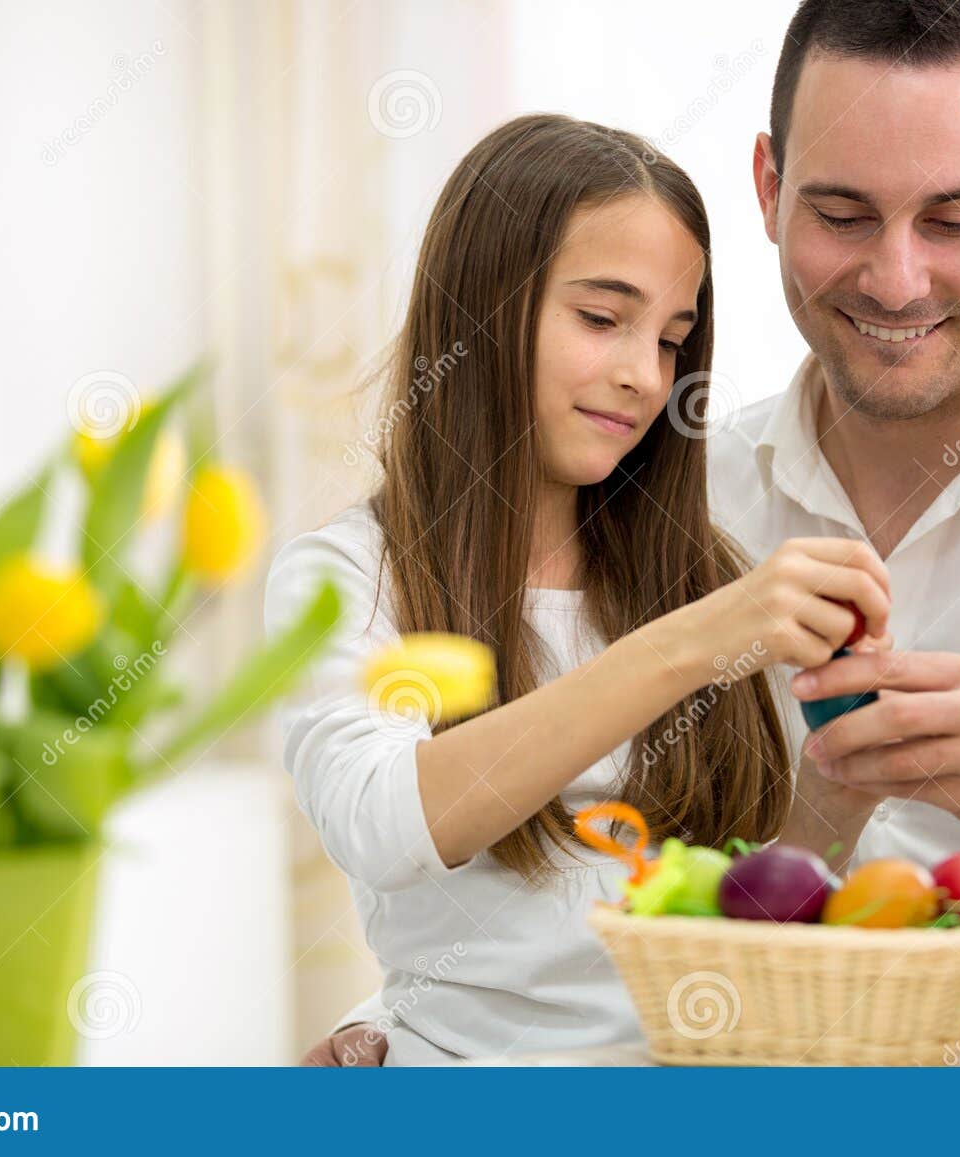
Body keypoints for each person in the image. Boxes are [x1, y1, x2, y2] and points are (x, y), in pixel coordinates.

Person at [308, 0, 960, 1061]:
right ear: (767, 190)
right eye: (844, 215)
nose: (896, 279)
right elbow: (556, 881)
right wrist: (403, 1016)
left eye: (953, 220)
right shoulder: (661, 505)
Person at [267, 112, 891, 1066]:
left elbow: (736, 911)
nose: (644, 375)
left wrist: (835, 797)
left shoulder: (698, 573)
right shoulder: (347, 576)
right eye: (602, 318)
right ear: (479, 306)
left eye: (672, 338)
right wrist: (687, 644)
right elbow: (384, 821)